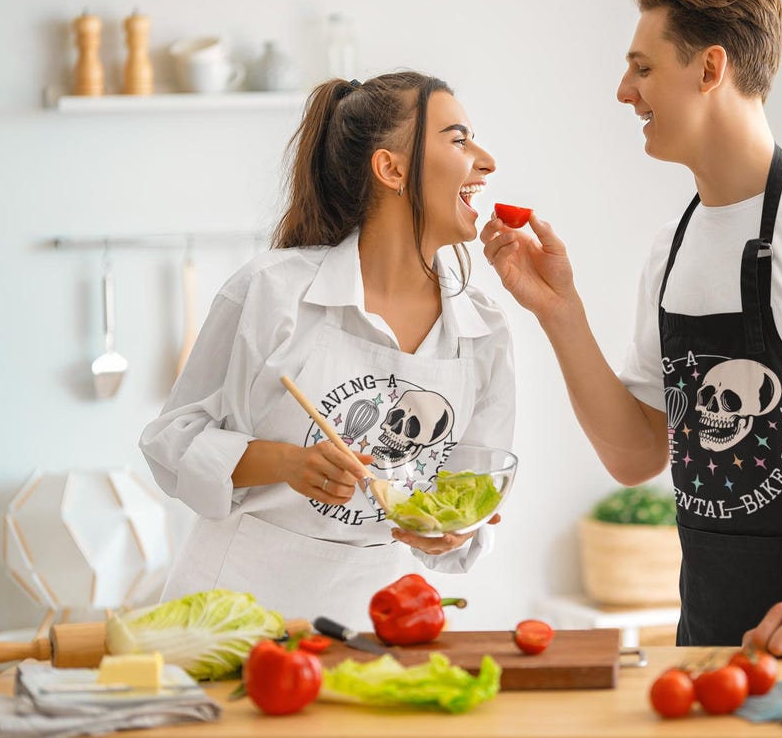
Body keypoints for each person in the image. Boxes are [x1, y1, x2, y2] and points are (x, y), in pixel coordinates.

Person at [481, 0, 782, 658]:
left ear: (709, 68)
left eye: (641, 67)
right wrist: (559, 310)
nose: (623, 91)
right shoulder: (675, 244)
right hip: (704, 641)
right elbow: (638, 452)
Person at [141, 72, 513, 628]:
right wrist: (288, 463)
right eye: (458, 140)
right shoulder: (274, 291)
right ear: (391, 168)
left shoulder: (483, 332)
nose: (485, 161)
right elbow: (169, 443)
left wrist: (450, 529)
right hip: (227, 614)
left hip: (374, 622)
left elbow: (470, 490)